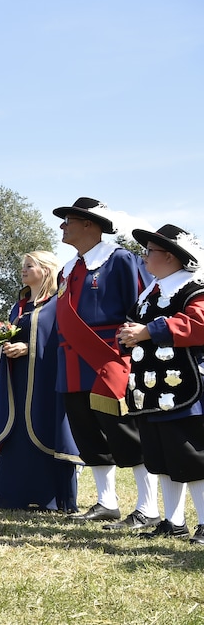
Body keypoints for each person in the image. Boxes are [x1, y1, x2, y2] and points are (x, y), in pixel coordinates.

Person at [53, 198, 157, 530]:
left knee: (126, 433)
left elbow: (139, 307)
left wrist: (128, 355)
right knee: (87, 432)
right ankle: (107, 502)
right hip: (72, 361)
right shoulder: (67, 270)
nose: (62, 226)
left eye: (68, 220)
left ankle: (148, 508)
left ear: (89, 224)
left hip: (109, 357)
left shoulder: (120, 259)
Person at [117, 224, 204, 540]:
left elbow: (198, 325)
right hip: (150, 393)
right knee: (165, 461)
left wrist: (148, 331)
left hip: (183, 391)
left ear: (168, 256)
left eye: (150, 251)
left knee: (192, 458)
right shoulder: (150, 293)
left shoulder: (193, 290)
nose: (144, 256)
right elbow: (134, 326)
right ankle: (174, 522)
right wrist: (127, 336)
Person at [0, 252, 82, 511]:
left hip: (45, 382)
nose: (23, 270)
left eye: (29, 266)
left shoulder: (58, 303)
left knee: (43, 427)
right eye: (23, 266)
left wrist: (29, 349)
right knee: (16, 430)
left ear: (45, 270)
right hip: (17, 380)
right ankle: (14, 493)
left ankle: (49, 497)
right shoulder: (18, 307)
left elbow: (61, 341)